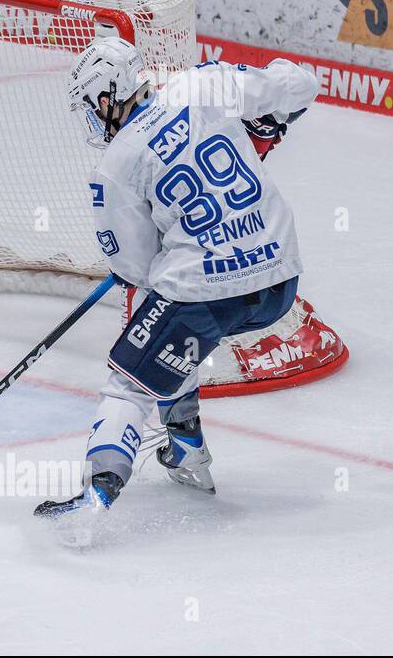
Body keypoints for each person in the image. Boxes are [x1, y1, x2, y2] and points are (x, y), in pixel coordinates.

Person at [36, 39, 318, 540]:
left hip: (206, 294)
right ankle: (187, 450)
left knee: (130, 378)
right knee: (168, 335)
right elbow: (300, 85)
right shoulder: (199, 84)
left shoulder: (114, 166)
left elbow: (137, 266)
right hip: (279, 277)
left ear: (106, 98)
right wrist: (272, 117)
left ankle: (96, 495)